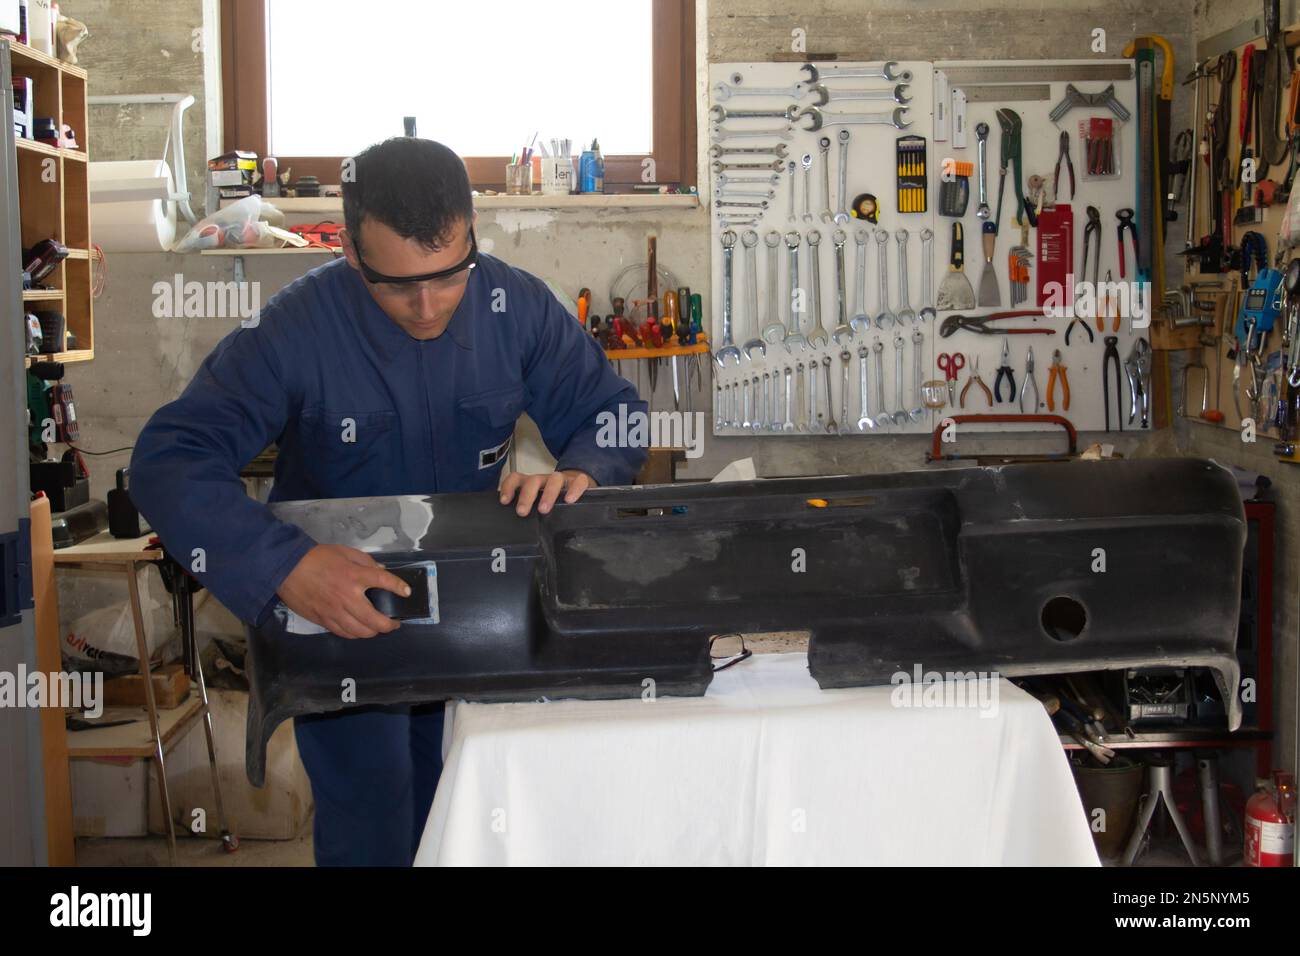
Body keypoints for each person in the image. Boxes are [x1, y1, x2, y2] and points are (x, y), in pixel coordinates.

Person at [130, 137, 647, 865]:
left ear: (472, 236)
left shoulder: (515, 306)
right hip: (339, 610)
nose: (428, 305)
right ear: (349, 250)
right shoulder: (293, 330)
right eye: (398, 285)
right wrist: (284, 567)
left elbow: (612, 413)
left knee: (470, 802)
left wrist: (585, 473)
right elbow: (167, 460)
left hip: (479, 611)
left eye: (448, 276)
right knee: (371, 814)